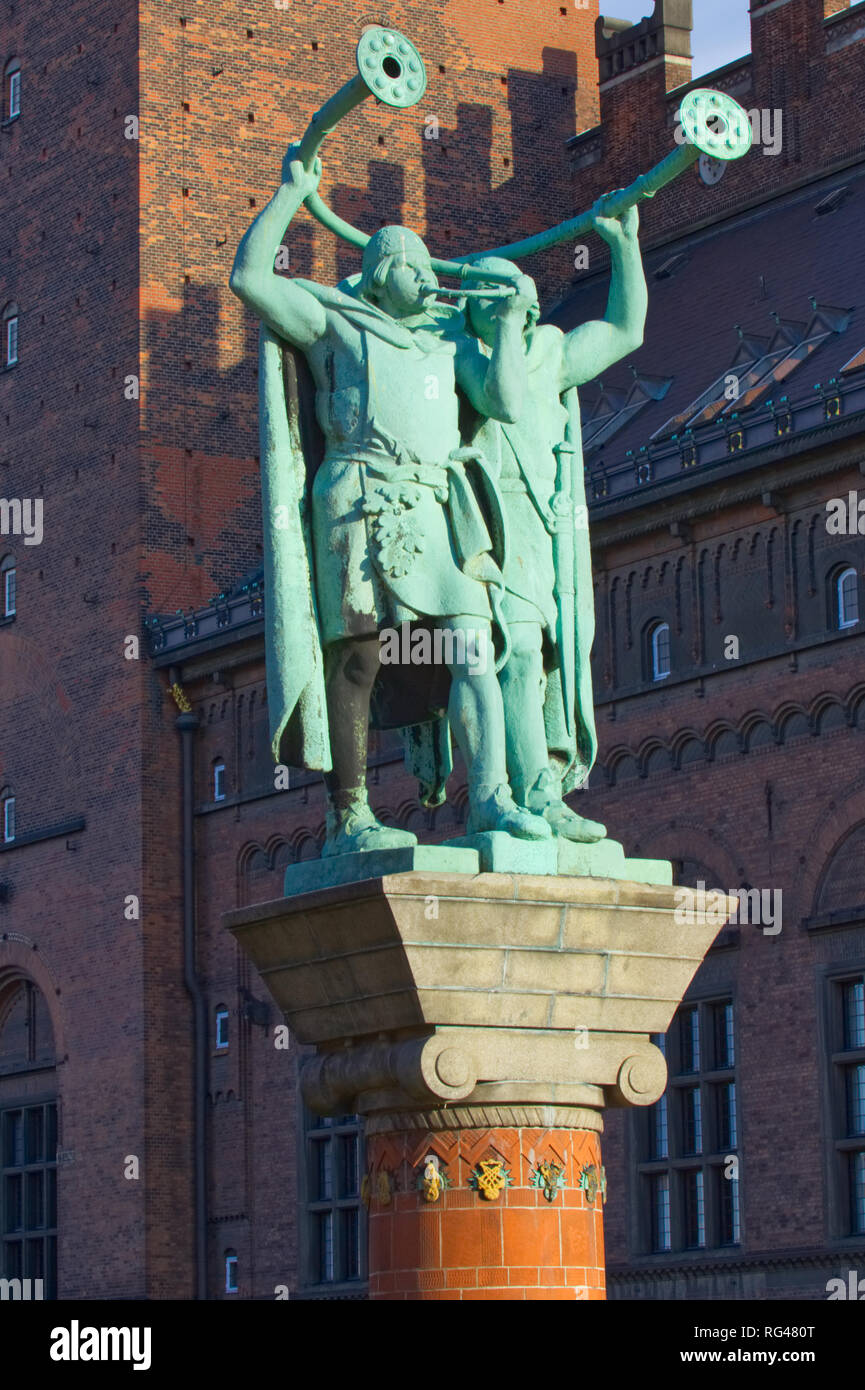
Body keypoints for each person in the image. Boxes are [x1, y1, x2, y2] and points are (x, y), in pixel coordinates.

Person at [230, 147, 552, 855]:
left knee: (469, 647)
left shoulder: (446, 348)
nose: (428, 280)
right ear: (380, 274)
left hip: (437, 511)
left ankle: (491, 799)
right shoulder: (335, 323)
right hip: (358, 501)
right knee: (361, 656)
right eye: (413, 267)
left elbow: (502, 400)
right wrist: (290, 193)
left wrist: (503, 325)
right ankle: (350, 816)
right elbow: (249, 277)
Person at [459, 199, 648, 840]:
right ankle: (529, 794)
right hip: (485, 528)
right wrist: (502, 327)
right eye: (490, 299)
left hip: (543, 531)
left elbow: (626, 330)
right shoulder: (460, 360)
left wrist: (623, 246)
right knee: (516, 650)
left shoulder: (553, 354)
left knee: (549, 659)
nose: (507, 308)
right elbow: (502, 400)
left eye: (513, 298)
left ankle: (543, 786)